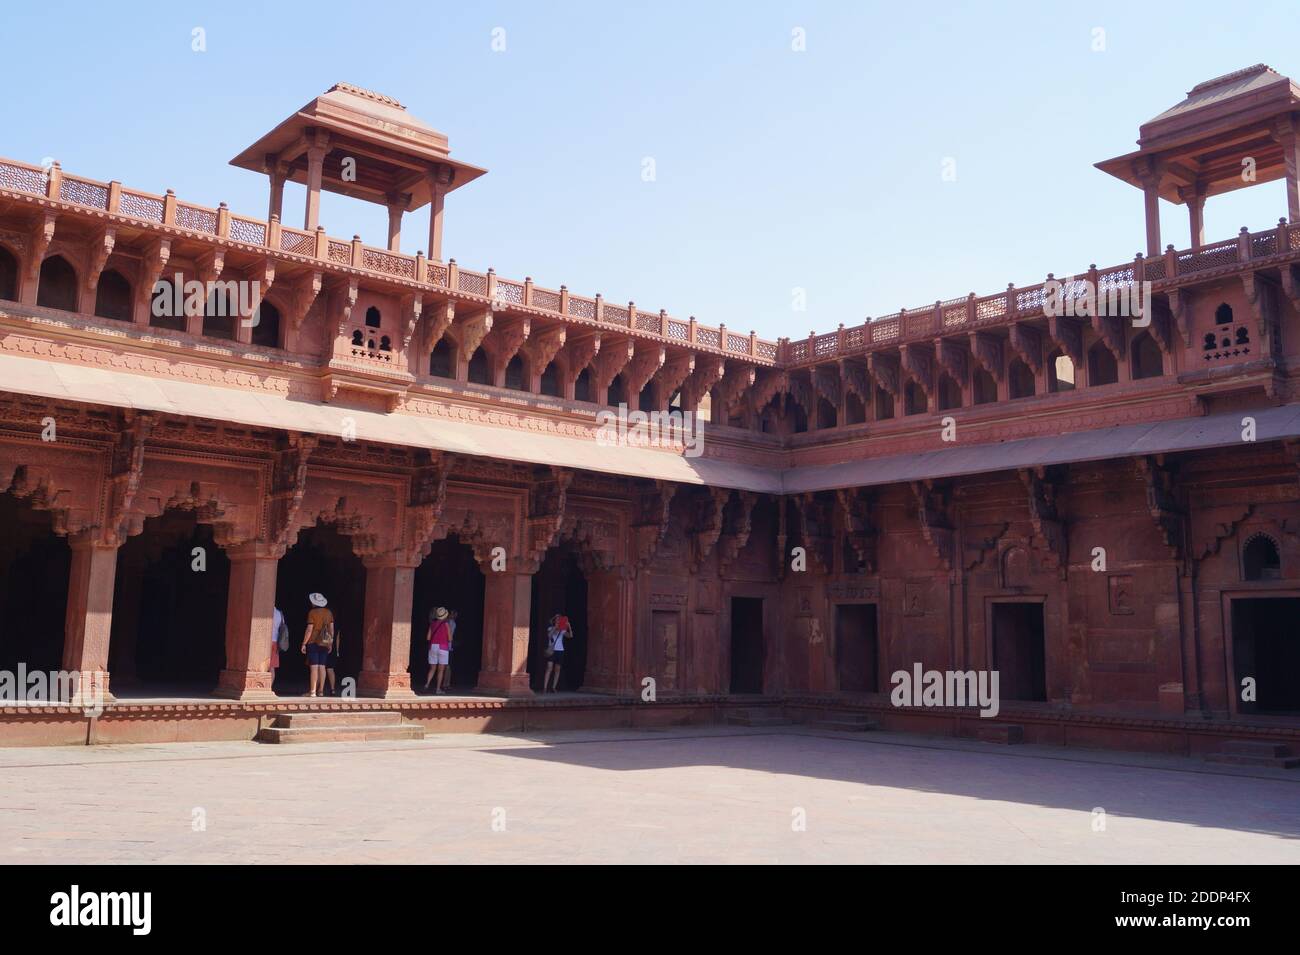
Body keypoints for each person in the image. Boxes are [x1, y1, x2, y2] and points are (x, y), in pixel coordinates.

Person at [300, 593, 335, 698]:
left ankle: (312, 692)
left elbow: (309, 629)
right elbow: (331, 629)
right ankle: (321, 691)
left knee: (314, 668)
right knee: (322, 667)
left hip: (313, 642)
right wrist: (330, 642)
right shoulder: (329, 612)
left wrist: (304, 643)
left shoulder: (312, 613)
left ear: (314, 602)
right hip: (324, 642)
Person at [543, 612, 573, 693]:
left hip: (560, 650)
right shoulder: (550, 628)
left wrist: (569, 627)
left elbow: (570, 636)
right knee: (549, 668)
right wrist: (555, 627)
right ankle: (545, 688)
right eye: (557, 619)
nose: (558, 620)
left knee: (557, 669)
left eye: (559, 619)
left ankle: (553, 687)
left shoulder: (562, 631)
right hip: (552, 651)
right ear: (554, 621)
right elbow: (549, 635)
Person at [423, 607, 451, 694]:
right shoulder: (446, 624)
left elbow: (428, 638)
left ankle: (427, 684)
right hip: (443, 647)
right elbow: (450, 638)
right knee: (441, 670)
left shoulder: (432, 624)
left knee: (432, 668)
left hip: (433, 647)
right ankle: (438, 689)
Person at [444, 609, 458, 691]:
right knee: (448, 666)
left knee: (446, 666)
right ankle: (446, 684)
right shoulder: (451, 623)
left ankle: (445, 683)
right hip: (448, 646)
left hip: (446, 645)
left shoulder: (448, 622)